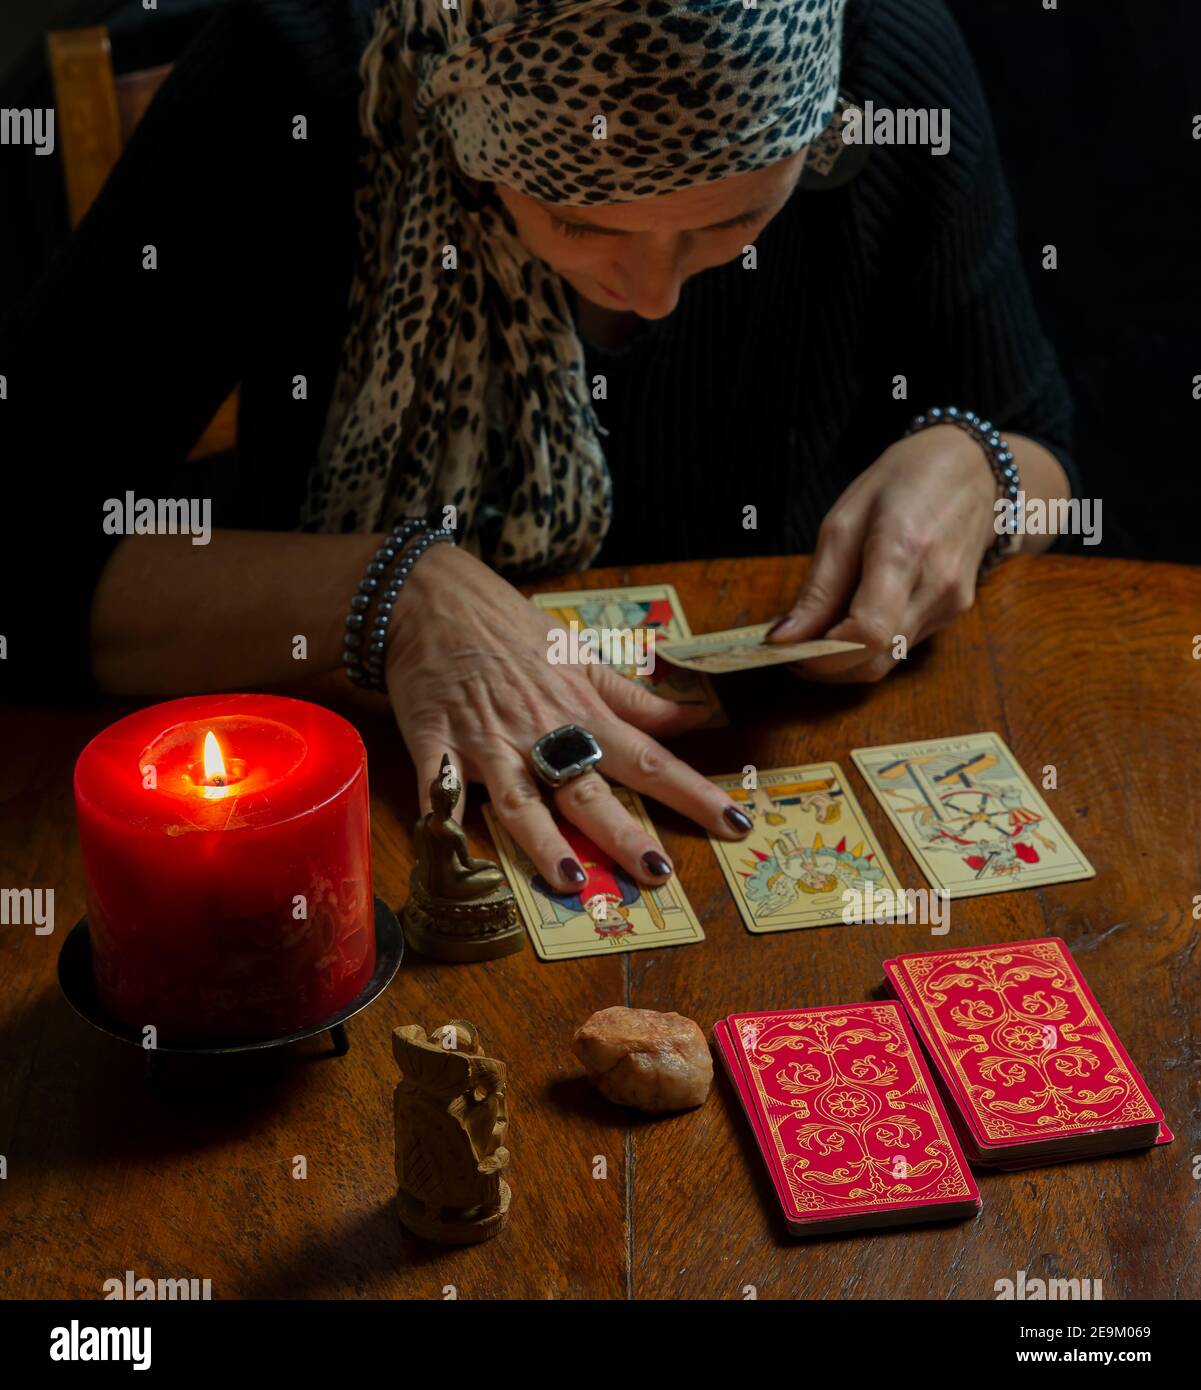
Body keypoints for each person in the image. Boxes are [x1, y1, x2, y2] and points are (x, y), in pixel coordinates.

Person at [0, 0, 1076, 900]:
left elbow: (1045, 452)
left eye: (734, 220)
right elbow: (22, 559)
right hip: (367, 841)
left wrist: (981, 468)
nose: (653, 294)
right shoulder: (298, 71)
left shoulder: (884, 53)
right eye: (580, 221)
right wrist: (388, 592)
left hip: (763, 797)